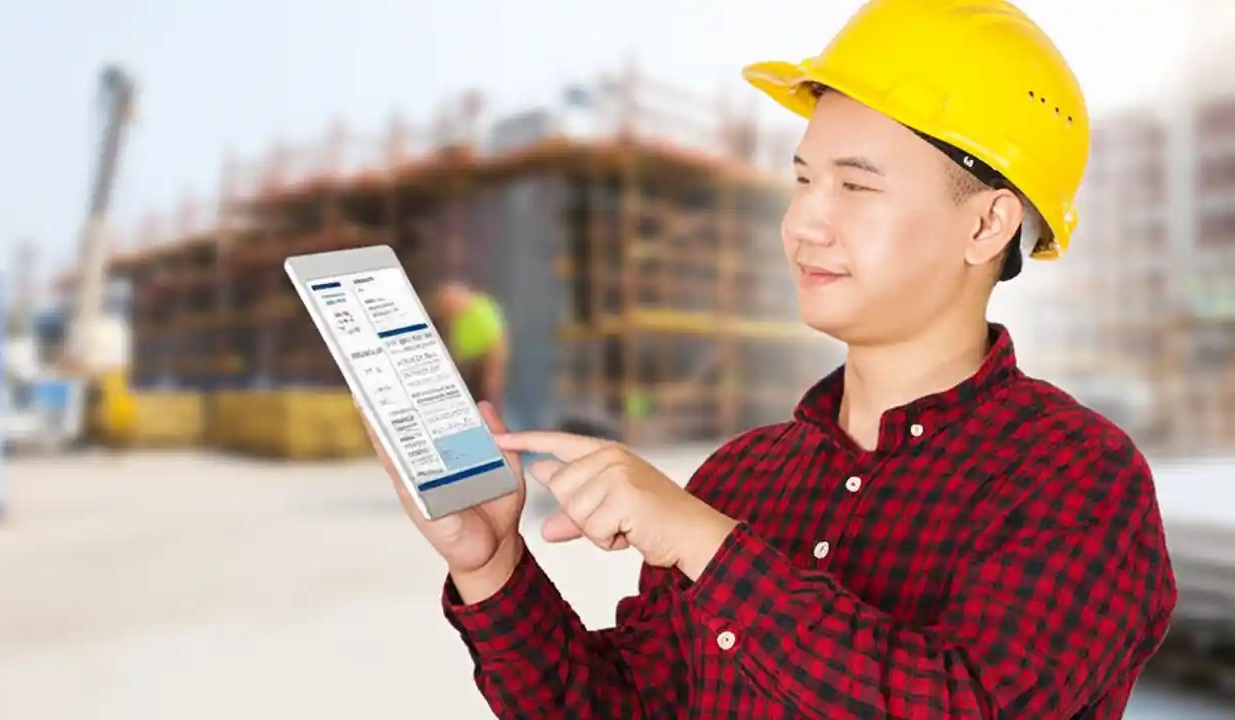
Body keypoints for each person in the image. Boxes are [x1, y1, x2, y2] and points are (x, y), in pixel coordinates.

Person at [369, 2, 1178, 716]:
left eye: (855, 187)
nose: (803, 224)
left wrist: (710, 546)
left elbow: (971, 707)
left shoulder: (1077, 477)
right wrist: (495, 568)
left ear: (986, 225)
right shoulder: (740, 479)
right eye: (802, 180)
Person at [430, 280, 509, 410]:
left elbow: (498, 348)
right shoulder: (454, 316)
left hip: (482, 362)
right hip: (467, 364)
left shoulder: (482, 312)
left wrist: (492, 388)